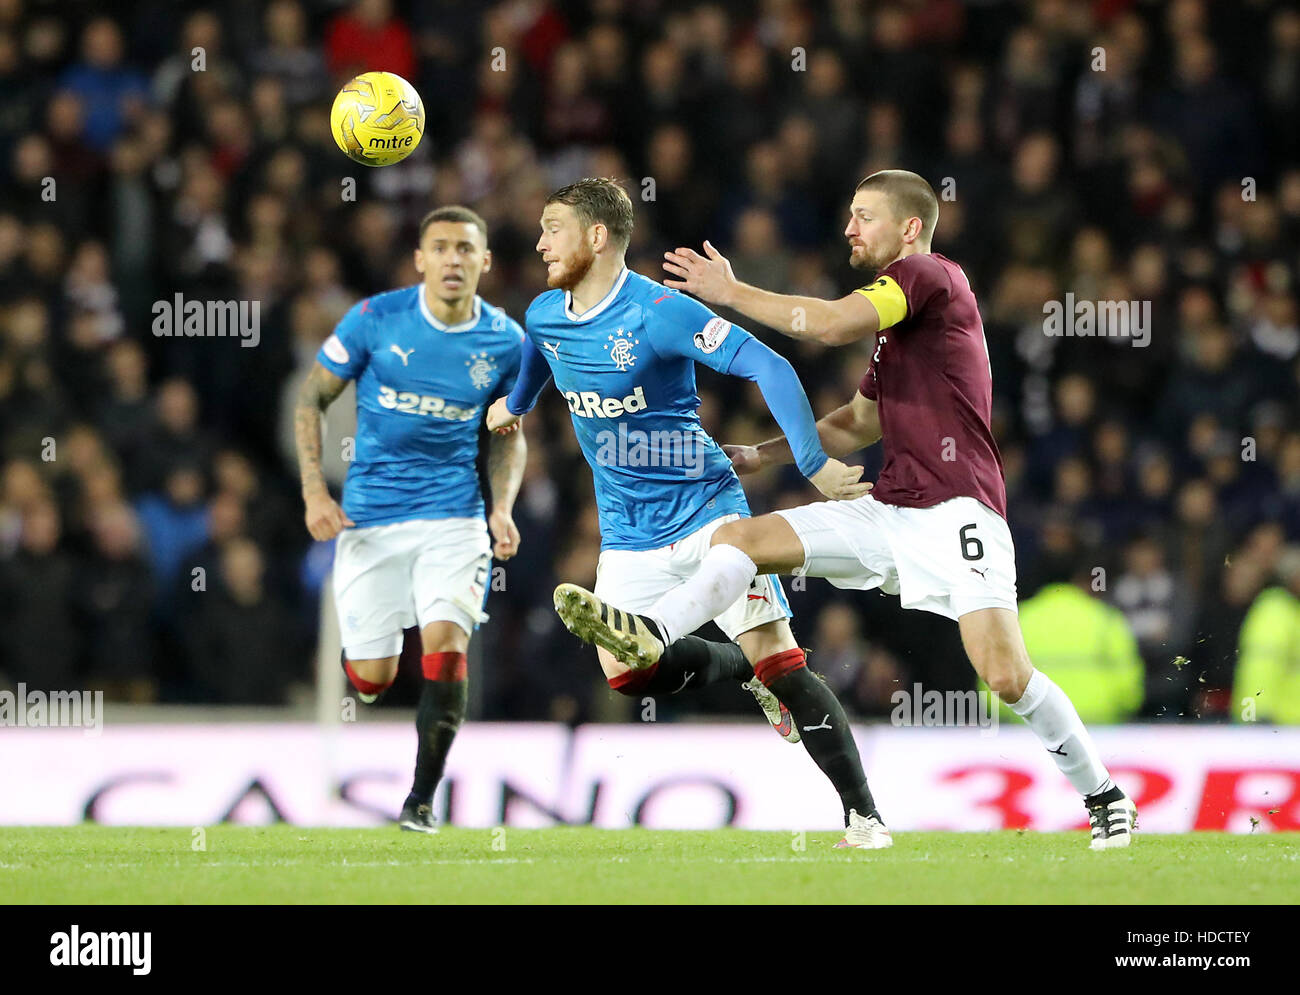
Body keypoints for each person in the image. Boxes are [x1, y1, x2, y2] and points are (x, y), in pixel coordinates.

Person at [557, 170, 1139, 849]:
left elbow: (830, 324)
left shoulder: (930, 276)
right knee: (743, 537)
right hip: (887, 510)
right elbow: (858, 420)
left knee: (1006, 675)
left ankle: (1104, 794)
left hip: (960, 514)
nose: (850, 228)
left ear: (910, 228)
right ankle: (655, 627)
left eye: (864, 215)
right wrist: (763, 455)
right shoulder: (899, 333)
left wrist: (732, 292)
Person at [486, 178, 893, 849]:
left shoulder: (658, 312)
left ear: (596, 236)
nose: (538, 242)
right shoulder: (543, 314)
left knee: (784, 664)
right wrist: (517, 404)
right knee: (626, 674)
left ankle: (864, 816)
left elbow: (769, 364)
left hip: (708, 511)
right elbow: (537, 360)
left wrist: (813, 461)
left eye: (552, 227)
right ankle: (738, 667)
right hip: (626, 533)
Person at [295, 205, 526, 833]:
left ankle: (421, 800)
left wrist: (501, 508)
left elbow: (508, 433)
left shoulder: (506, 341)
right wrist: (316, 493)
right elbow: (311, 399)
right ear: (420, 259)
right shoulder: (374, 319)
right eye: (441, 248)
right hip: (370, 520)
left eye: (465, 249)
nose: (453, 259)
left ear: (485, 261)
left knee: (448, 644)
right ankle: (372, 655)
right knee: (371, 680)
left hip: (454, 519)